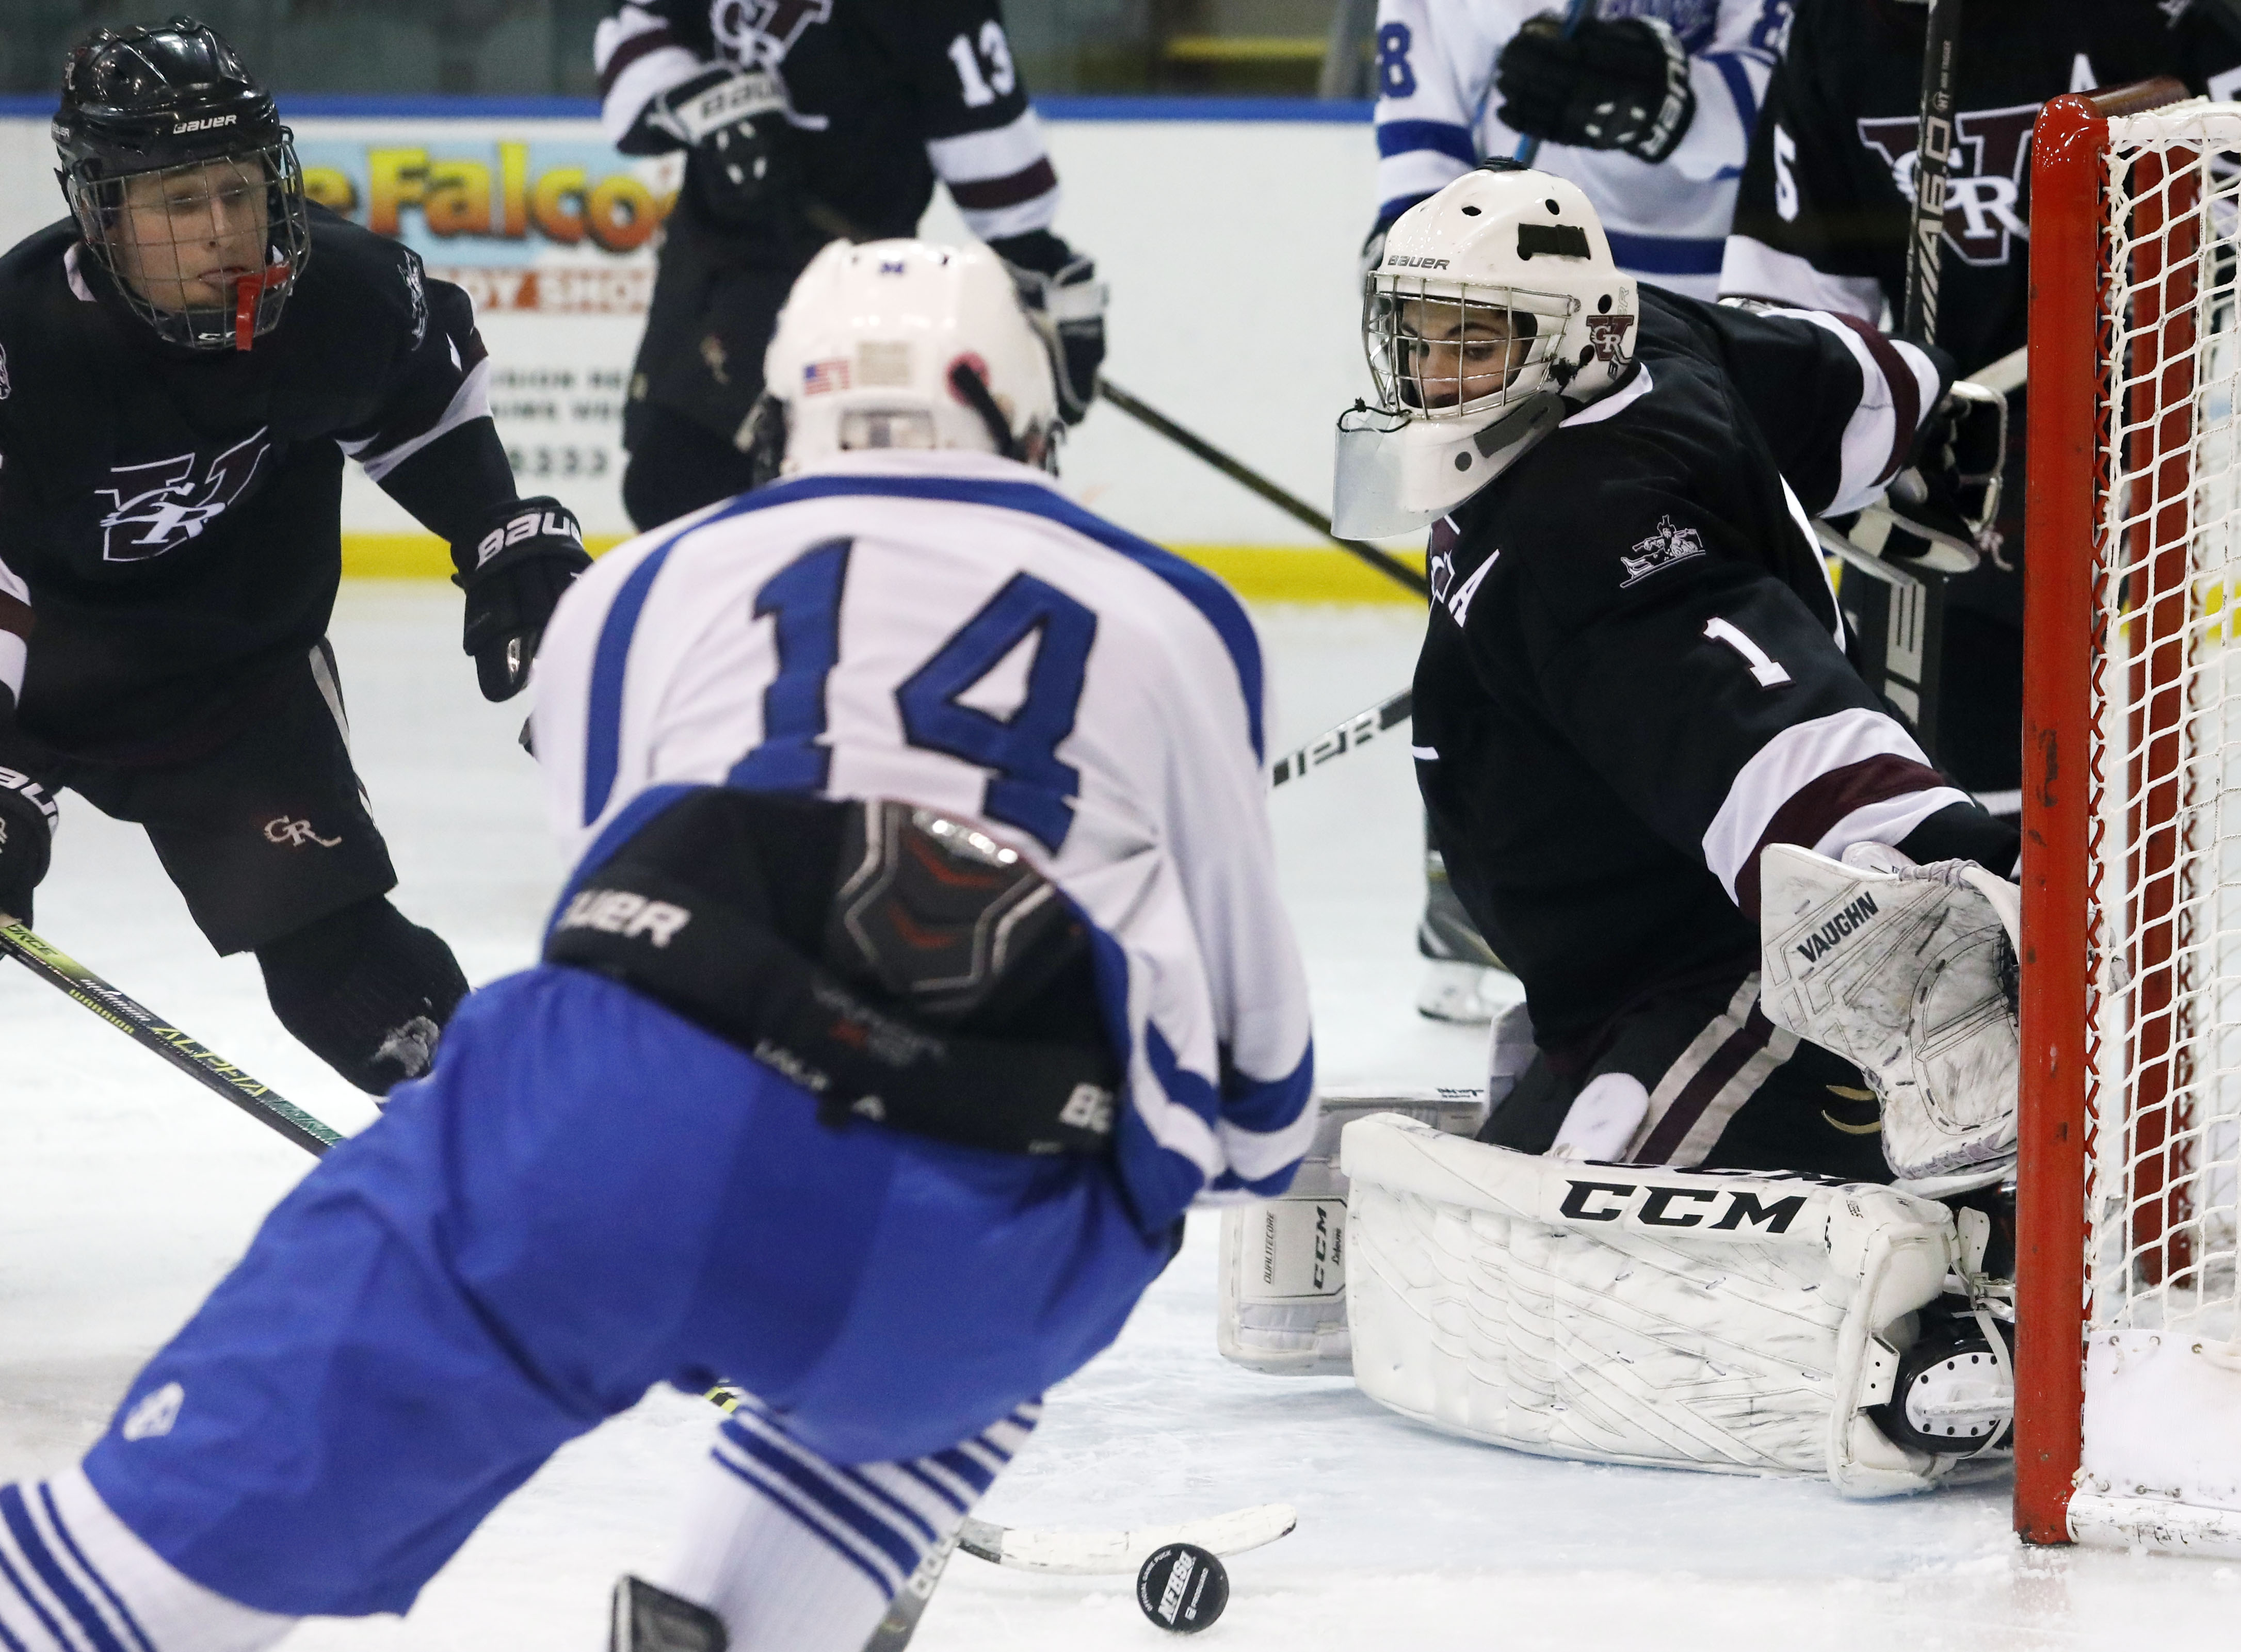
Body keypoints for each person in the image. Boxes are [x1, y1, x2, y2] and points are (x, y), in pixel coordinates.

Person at [0, 237, 1315, 1652]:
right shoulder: (1176, 613)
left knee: (123, 1575)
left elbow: (615, 933)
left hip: (629, 1123)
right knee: (964, 1338)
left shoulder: (647, 588)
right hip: (1001, 1211)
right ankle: (770, 1593)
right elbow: (1255, 1094)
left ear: (780, 418)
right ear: (1029, 418)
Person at [1318, 160, 2028, 1492]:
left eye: (1472, 343)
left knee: (1547, 1271)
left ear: (1571, 339)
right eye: (1416, 339)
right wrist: (1933, 425)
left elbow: (1763, 725)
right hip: (1613, 966)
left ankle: (1979, 1311)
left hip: (1738, 975)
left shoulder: (1590, 526)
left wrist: (1924, 870)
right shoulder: (1658, 334)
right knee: (1506, 1185)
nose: (1435, 376)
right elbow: (1845, 377)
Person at [0, 19, 590, 1096]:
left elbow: (421, 406)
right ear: (100, 214)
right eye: (181, 202)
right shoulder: (19, 346)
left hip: (228, 679)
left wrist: (496, 531)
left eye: (238, 190)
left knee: (353, 977)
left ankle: (511, 1149)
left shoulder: (337, 295)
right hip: (32, 674)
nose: (226, 230)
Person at [1366, 0, 1789, 1023]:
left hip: (1721, 321)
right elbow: (1418, 142)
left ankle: (1747, 879)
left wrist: (1672, 105)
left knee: (1720, 617)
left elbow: (1798, 102)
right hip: (1506, 330)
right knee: (1493, 594)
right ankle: (1476, 891)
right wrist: (1420, 287)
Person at [1718, 0, 2241, 813]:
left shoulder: (2164, 14)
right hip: (1937, 481)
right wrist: (1838, 424)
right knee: (1945, 806)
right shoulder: (1836, 29)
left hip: (2151, 475)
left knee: (2119, 812)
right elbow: (1787, 292)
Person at [594, 0, 1107, 531]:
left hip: (851, 292)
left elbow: (1001, 177)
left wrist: (1038, 275)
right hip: (706, 257)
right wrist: (699, 101)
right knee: (665, 484)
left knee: (715, 489)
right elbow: (639, 30)